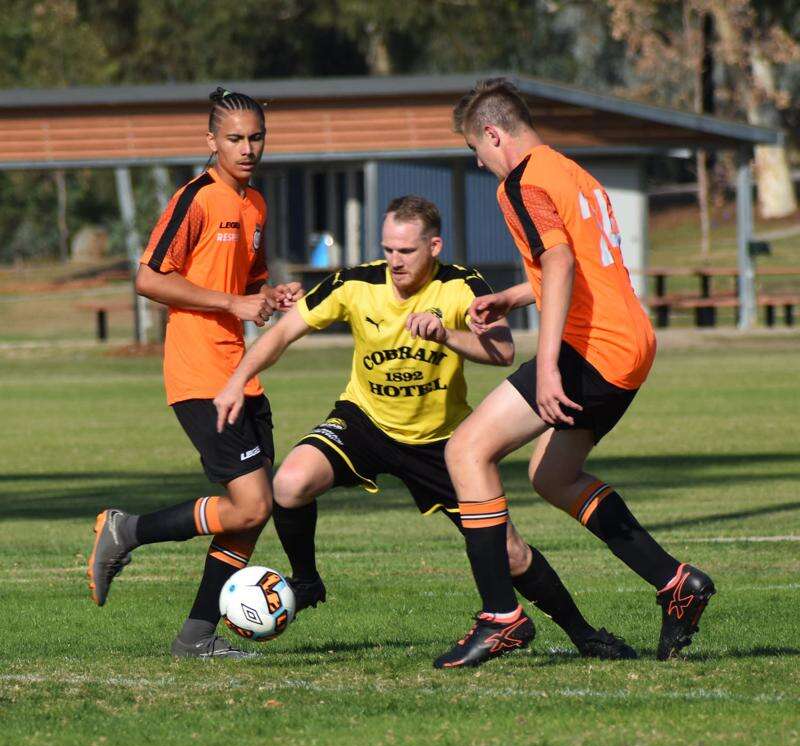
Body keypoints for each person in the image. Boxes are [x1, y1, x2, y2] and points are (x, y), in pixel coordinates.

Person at [214, 194, 636, 662]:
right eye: (388, 249)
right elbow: (279, 334)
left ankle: (584, 634)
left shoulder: (461, 286)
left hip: (442, 440)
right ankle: (307, 580)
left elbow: (503, 352)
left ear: (434, 246)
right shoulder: (354, 284)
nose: (394, 261)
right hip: (364, 421)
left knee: (511, 554)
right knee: (290, 485)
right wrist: (237, 382)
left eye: (406, 251)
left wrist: (447, 335)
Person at [432, 78, 715, 669]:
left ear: (492, 133)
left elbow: (559, 262)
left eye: (474, 150)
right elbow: (580, 265)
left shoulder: (521, 182)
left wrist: (548, 366)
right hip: (631, 344)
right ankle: (674, 581)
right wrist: (514, 295)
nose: (479, 162)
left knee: (466, 452)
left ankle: (500, 617)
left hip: (593, 347)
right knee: (554, 476)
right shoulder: (570, 172)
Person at [87, 87, 302, 659]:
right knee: (253, 503)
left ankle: (196, 637)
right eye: (235, 138)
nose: (248, 147)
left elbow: (248, 282)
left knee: (252, 516)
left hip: (243, 373)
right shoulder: (197, 199)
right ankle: (126, 531)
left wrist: (268, 294)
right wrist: (234, 306)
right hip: (200, 374)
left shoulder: (254, 204)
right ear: (212, 142)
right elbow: (149, 278)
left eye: (256, 137)